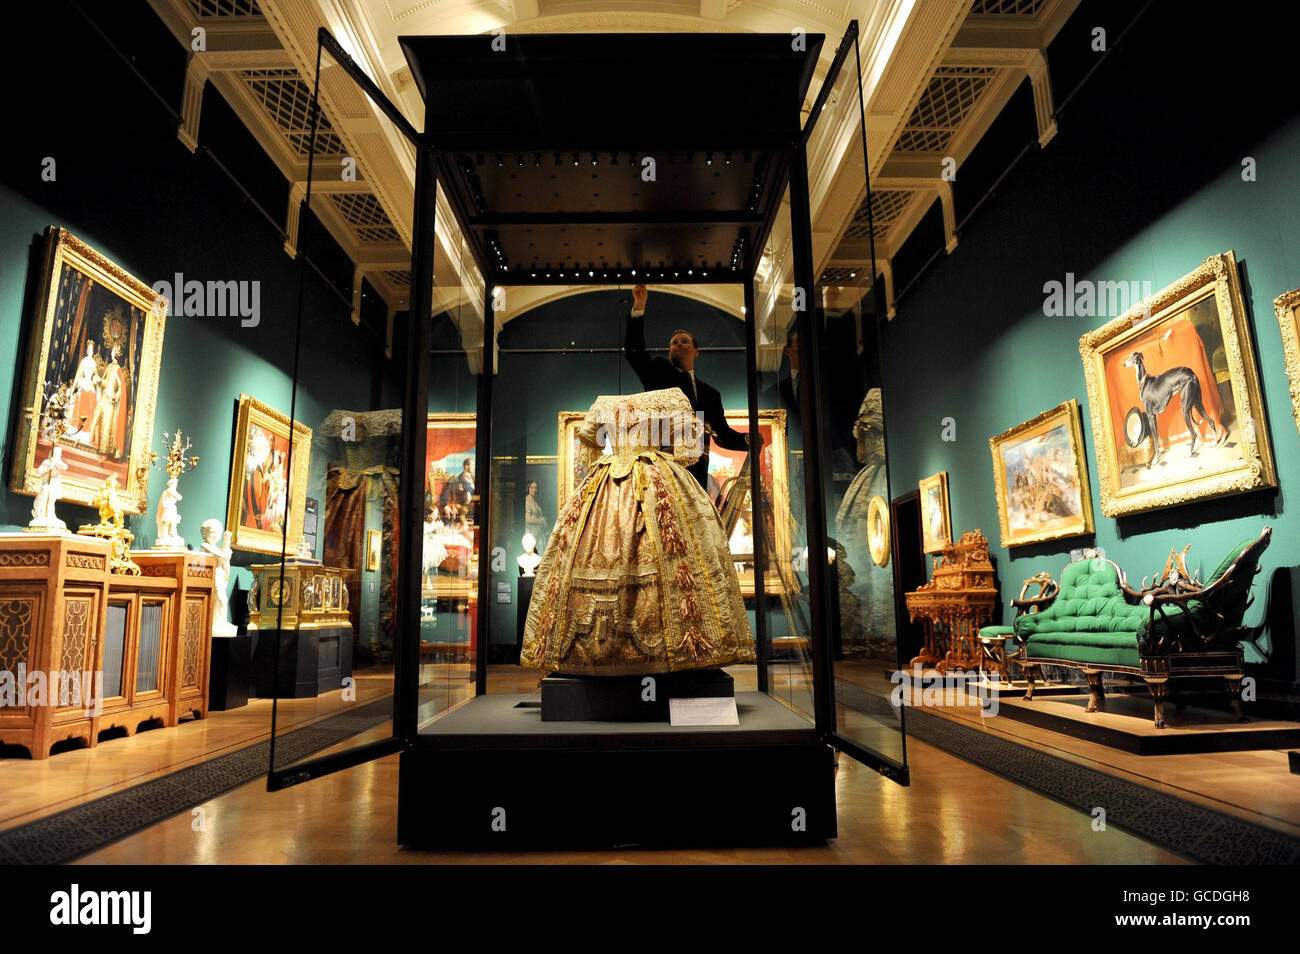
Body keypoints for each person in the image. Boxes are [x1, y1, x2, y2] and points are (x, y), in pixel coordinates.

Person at [520, 388, 755, 675]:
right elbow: (687, 450)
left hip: (609, 477)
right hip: (658, 475)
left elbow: (590, 444)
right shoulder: (673, 399)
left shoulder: (604, 402)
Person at [623, 284, 757, 490]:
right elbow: (635, 353)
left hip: (696, 476)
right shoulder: (658, 372)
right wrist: (639, 307)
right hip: (663, 470)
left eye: (684, 341)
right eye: (673, 342)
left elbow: (722, 435)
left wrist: (749, 440)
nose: (678, 344)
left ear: (696, 351)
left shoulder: (710, 394)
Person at [523, 480, 549, 551]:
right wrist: (541, 520)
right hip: (531, 533)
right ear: (528, 488)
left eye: (535, 488)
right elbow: (527, 519)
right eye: (532, 488)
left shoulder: (535, 501)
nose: (534, 490)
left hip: (539, 533)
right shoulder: (526, 501)